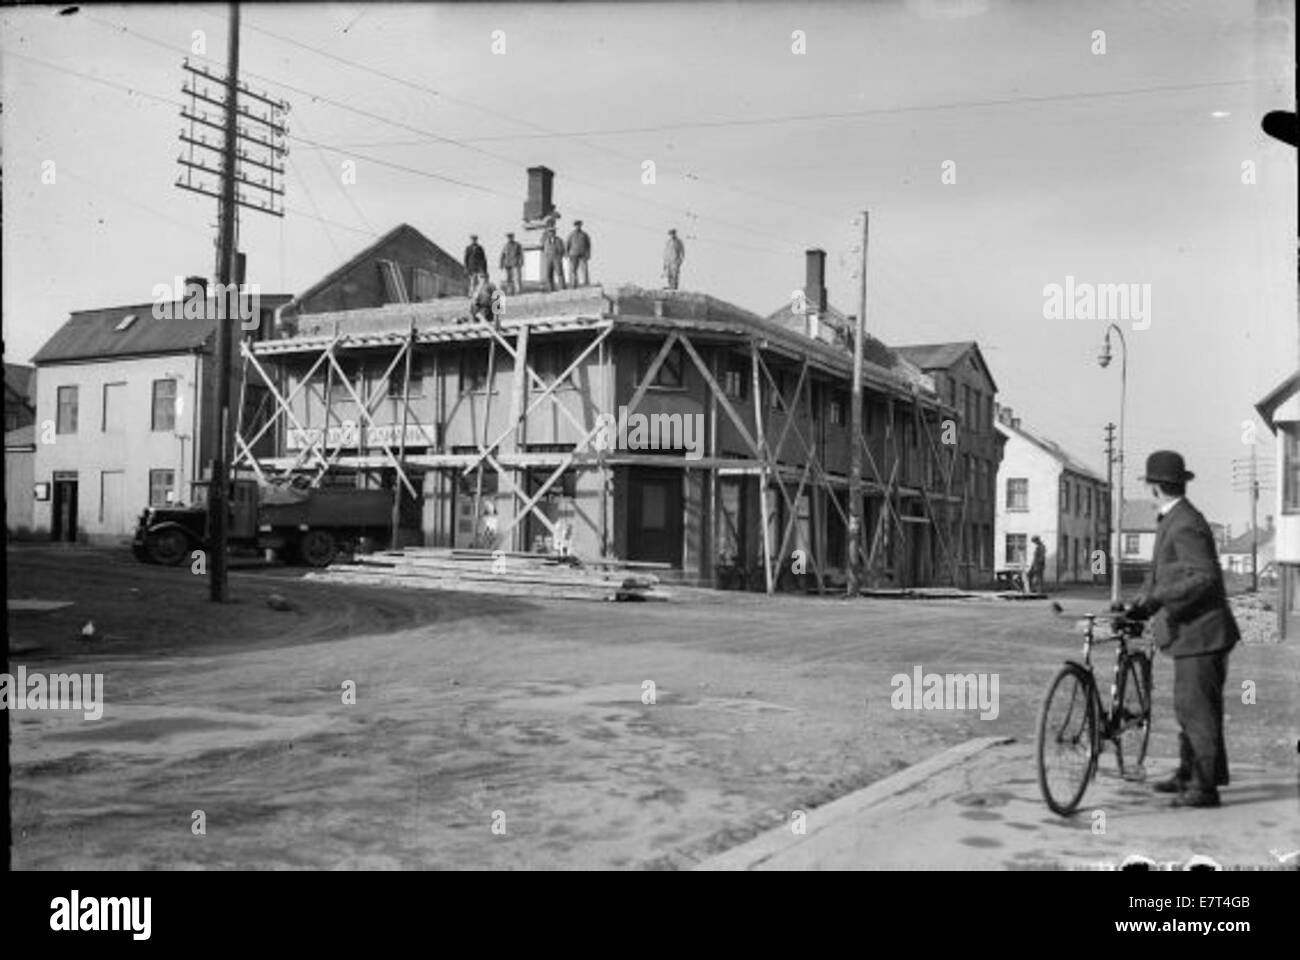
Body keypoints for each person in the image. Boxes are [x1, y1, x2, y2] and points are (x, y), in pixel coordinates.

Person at [1126, 450, 1239, 809]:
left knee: (1197, 709)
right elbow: (1166, 574)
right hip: (1195, 632)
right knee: (1189, 706)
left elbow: (1203, 577)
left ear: (1155, 488)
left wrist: (1156, 599)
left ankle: (1204, 788)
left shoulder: (1184, 522)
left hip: (1202, 633)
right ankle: (1190, 772)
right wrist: (1137, 602)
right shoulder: (1176, 518)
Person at [540, 217, 566, 291]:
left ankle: (562, 287)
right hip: (549, 259)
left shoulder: (559, 240)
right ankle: (551, 288)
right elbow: (545, 249)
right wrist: (547, 256)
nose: (551, 233)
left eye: (553, 232)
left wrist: (560, 257)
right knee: (549, 275)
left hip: (556, 258)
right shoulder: (546, 241)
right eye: (550, 232)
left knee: (559, 273)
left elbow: (562, 249)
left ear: (555, 232)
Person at [566, 219, 591, 287]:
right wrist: (567, 254)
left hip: (583, 254)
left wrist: (588, 254)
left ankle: (586, 283)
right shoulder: (571, 235)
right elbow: (567, 244)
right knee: (573, 270)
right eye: (576, 225)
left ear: (581, 226)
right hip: (573, 254)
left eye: (579, 225)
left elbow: (588, 245)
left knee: (584, 270)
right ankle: (573, 284)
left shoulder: (584, 235)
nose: (578, 227)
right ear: (575, 226)